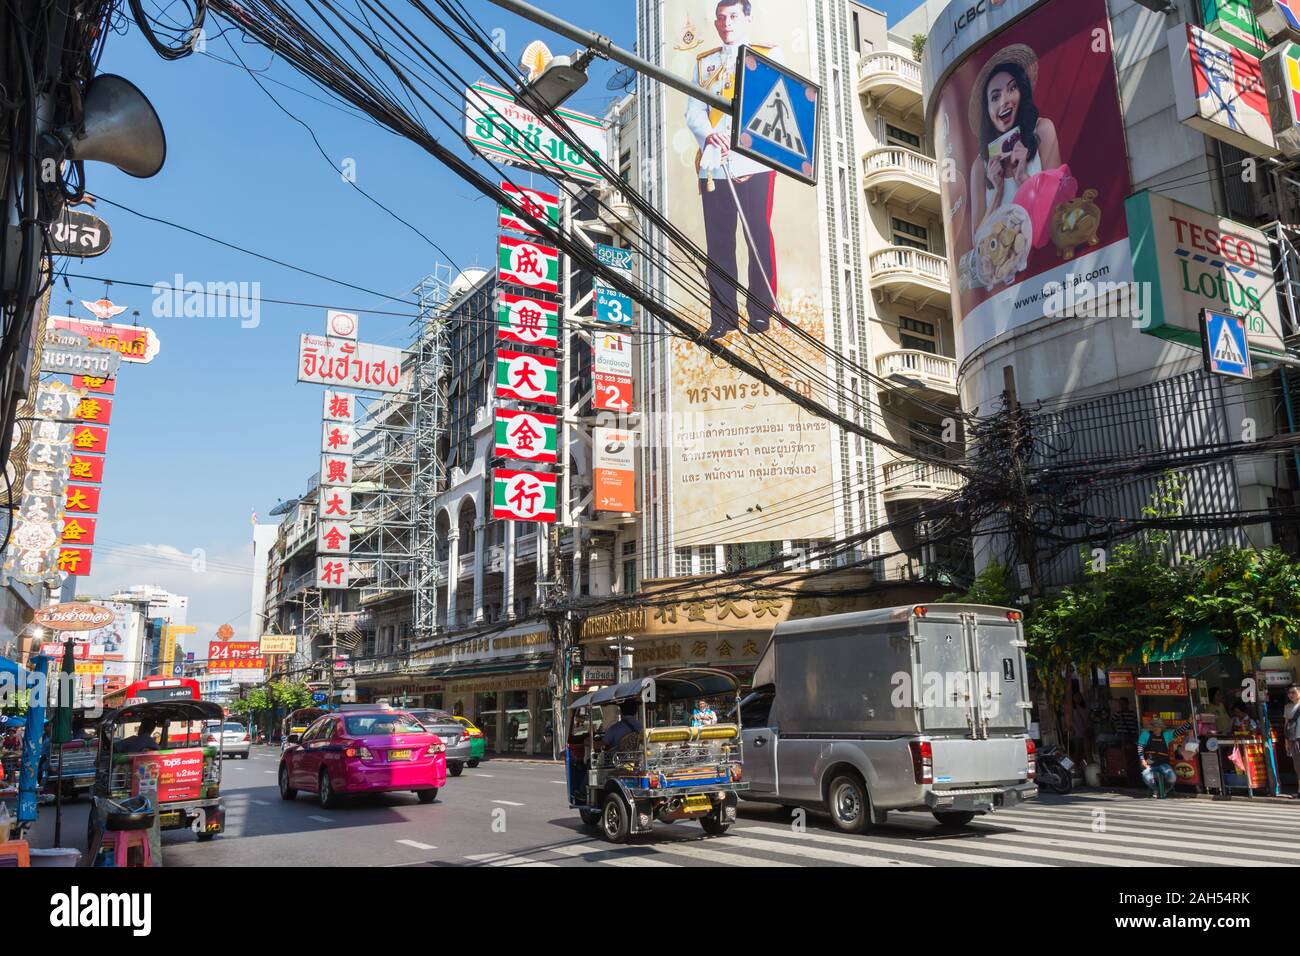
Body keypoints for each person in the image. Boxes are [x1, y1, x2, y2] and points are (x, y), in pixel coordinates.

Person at [685, 0, 784, 340]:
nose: (726, 23)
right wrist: (708, 133)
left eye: (733, 16)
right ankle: (723, 317)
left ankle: (760, 311)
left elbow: (777, 107)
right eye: (721, 18)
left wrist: (740, 141)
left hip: (753, 161)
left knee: (757, 233)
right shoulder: (705, 64)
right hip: (713, 164)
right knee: (719, 244)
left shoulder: (768, 56)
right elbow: (693, 111)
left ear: (747, 18)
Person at [967, 44, 1061, 242]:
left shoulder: (1042, 130)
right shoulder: (979, 167)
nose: (1004, 101)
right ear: (988, 110)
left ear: (1022, 92)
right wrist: (998, 190)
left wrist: (1023, 178)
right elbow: (978, 243)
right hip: (1006, 269)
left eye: (1011, 89)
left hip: (1048, 260)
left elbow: (1059, 206)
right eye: (995, 97)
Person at [1137, 717, 1177, 798]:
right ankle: (1156, 789)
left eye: (1158, 727)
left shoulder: (1166, 735)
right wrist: (1142, 760)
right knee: (1146, 776)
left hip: (1163, 763)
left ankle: (1165, 790)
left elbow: (1178, 732)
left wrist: (1189, 722)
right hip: (1150, 764)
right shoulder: (1145, 734)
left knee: (1172, 777)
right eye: (1155, 726)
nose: (1156, 729)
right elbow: (1140, 747)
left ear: (1161, 728)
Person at [1284, 685, 1300, 798]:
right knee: (1297, 765)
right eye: (1289, 693)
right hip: (1294, 738)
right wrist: (1286, 741)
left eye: (1293, 692)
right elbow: (1286, 725)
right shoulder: (1288, 707)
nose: (1290, 695)